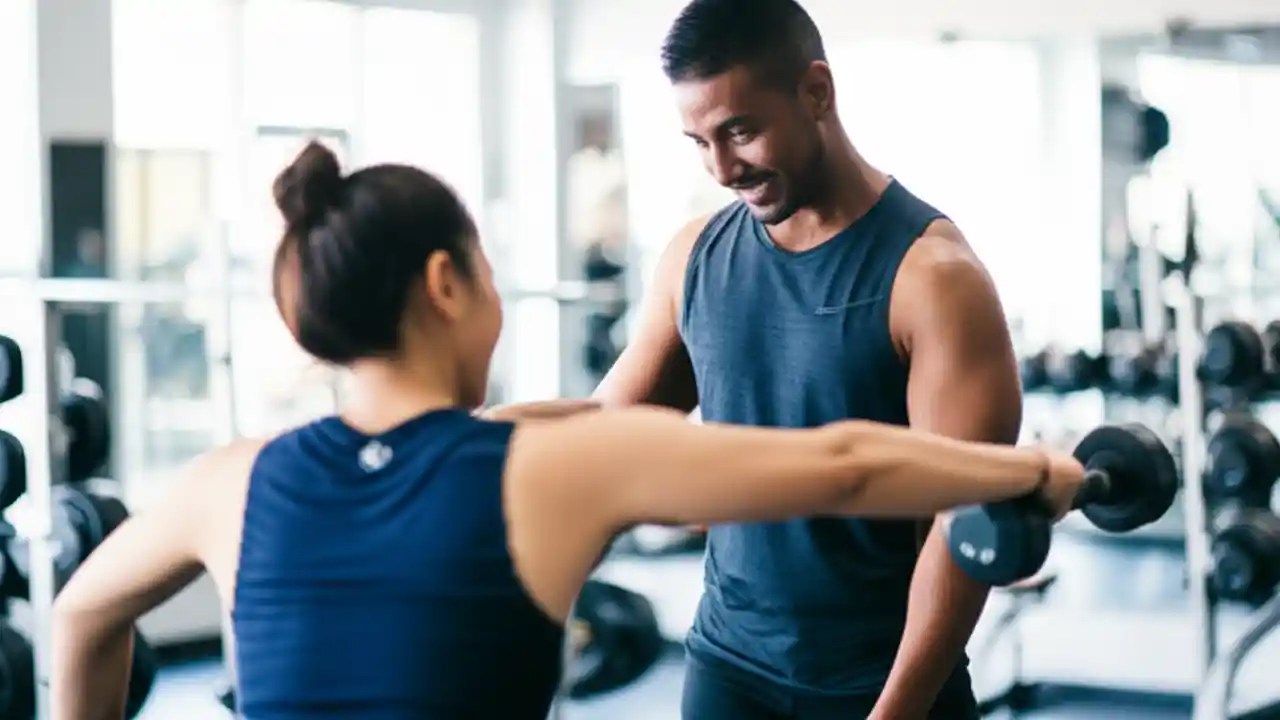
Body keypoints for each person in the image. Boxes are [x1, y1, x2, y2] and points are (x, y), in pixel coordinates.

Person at [51, 142, 1082, 720]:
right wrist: (1027, 472)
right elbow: (846, 464)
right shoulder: (542, 472)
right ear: (446, 284)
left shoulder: (230, 481)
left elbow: (80, 618)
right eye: (489, 272)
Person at [593, 1, 1022, 717]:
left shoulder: (935, 280)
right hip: (728, 667)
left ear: (816, 91)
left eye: (741, 130)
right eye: (699, 141)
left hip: (884, 682)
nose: (723, 167)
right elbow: (600, 435)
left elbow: (963, 529)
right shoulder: (695, 259)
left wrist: (896, 710)